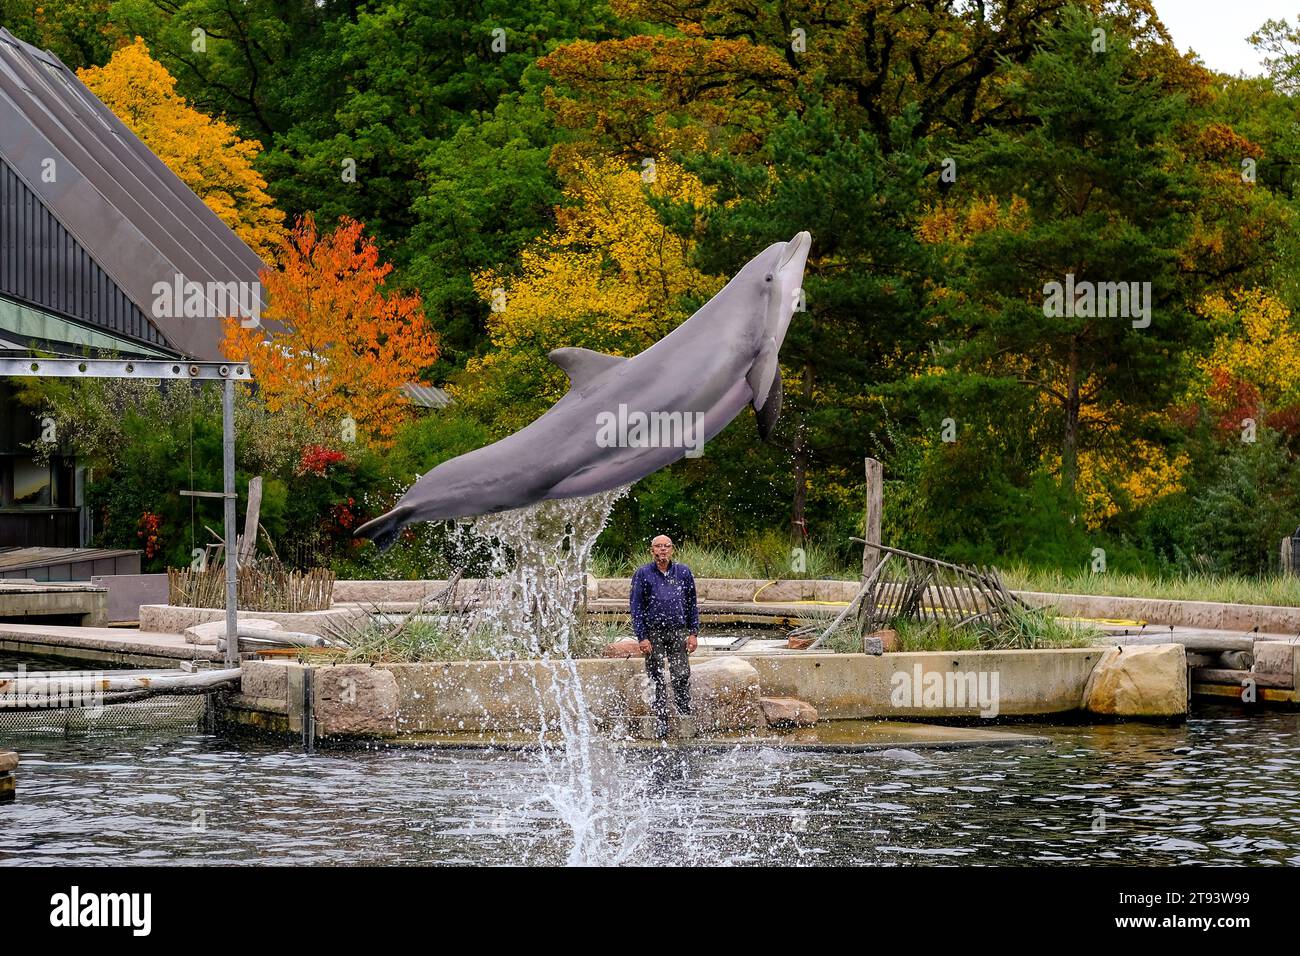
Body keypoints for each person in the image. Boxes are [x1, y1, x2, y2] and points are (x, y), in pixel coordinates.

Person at [629, 534, 700, 738]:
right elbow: (636, 607)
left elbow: (691, 604)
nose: (662, 550)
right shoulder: (643, 574)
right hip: (653, 633)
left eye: (666, 546)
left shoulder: (683, 572)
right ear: (652, 550)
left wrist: (693, 633)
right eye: (658, 546)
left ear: (672, 549)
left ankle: (685, 718)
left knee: (681, 674)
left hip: (678, 631)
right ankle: (661, 721)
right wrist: (642, 636)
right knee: (656, 676)